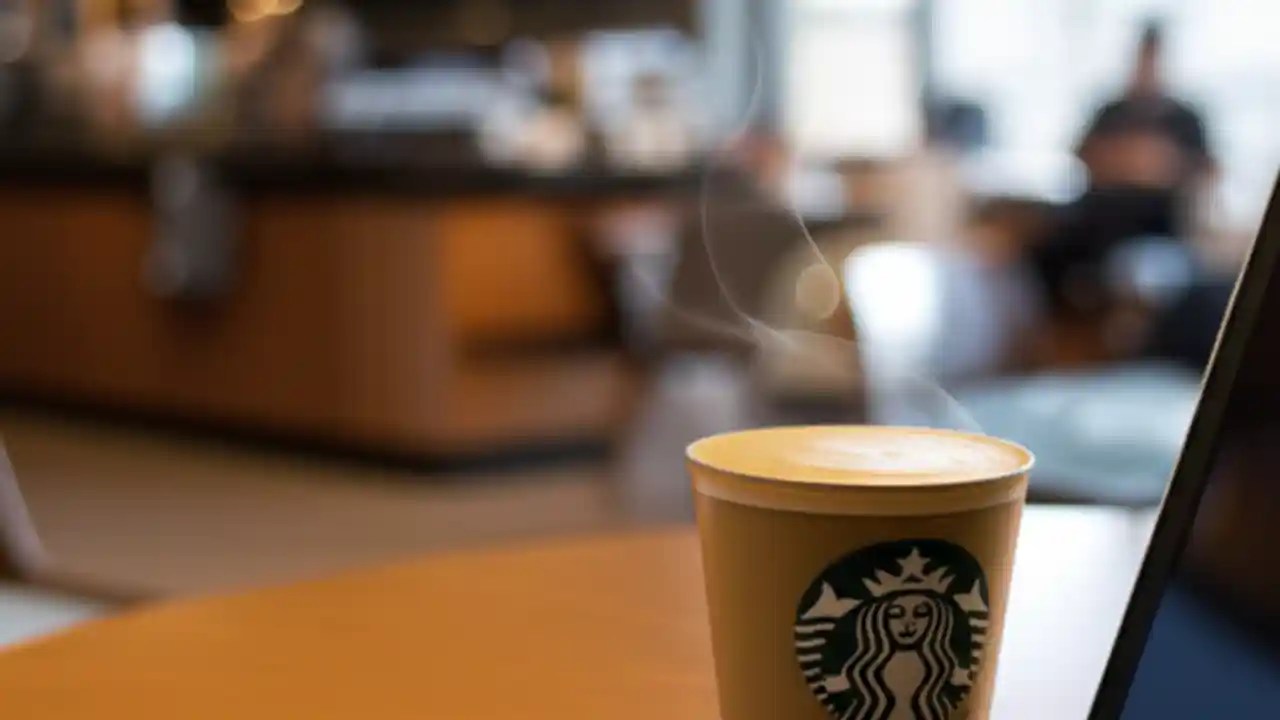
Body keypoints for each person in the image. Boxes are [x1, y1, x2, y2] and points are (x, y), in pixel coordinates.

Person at [1034, 20, 1215, 318]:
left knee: (1141, 272)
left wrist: (1160, 166)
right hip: (1095, 220)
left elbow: (1207, 171)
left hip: (1156, 223)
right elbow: (1080, 156)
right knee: (1044, 248)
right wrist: (1123, 162)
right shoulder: (1111, 111)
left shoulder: (1185, 118)